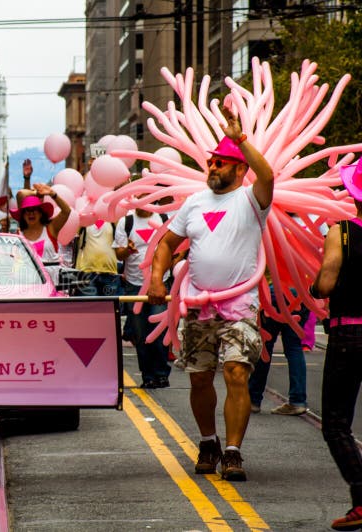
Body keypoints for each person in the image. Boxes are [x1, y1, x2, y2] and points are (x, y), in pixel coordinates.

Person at [148, 106, 274, 482]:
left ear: (239, 169)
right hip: (198, 307)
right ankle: (208, 442)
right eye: (211, 162)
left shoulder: (253, 200)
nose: (213, 168)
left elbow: (267, 174)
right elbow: (166, 244)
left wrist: (240, 140)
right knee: (200, 378)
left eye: (222, 162)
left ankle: (233, 452)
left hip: (239, 306)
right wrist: (157, 278)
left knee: (236, 372)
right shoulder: (195, 203)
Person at [311, 163, 362, 531]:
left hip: (349, 335)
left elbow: (325, 283)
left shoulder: (341, 232)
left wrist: (314, 288)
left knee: (336, 423)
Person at [114, 199, 171, 389]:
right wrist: (127, 250)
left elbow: (174, 248)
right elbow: (118, 255)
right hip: (134, 284)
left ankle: (162, 374)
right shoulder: (126, 222)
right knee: (140, 333)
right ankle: (147, 376)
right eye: (136, 197)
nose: (140, 201)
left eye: (144, 196)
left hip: (160, 283)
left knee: (159, 329)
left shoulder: (163, 218)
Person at [248, 284, 309, 415]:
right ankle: (297, 401)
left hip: (275, 292)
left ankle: (253, 399)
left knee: (265, 347)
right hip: (300, 294)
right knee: (294, 348)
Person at [11, 181, 71, 284]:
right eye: (27, 210)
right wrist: (36, 193)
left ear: (41, 212)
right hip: (25, 285)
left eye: (35, 209)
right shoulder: (19, 235)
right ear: (23, 214)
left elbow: (66, 211)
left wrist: (52, 194)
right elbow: (20, 194)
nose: (31, 213)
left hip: (51, 288)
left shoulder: (51, 228)